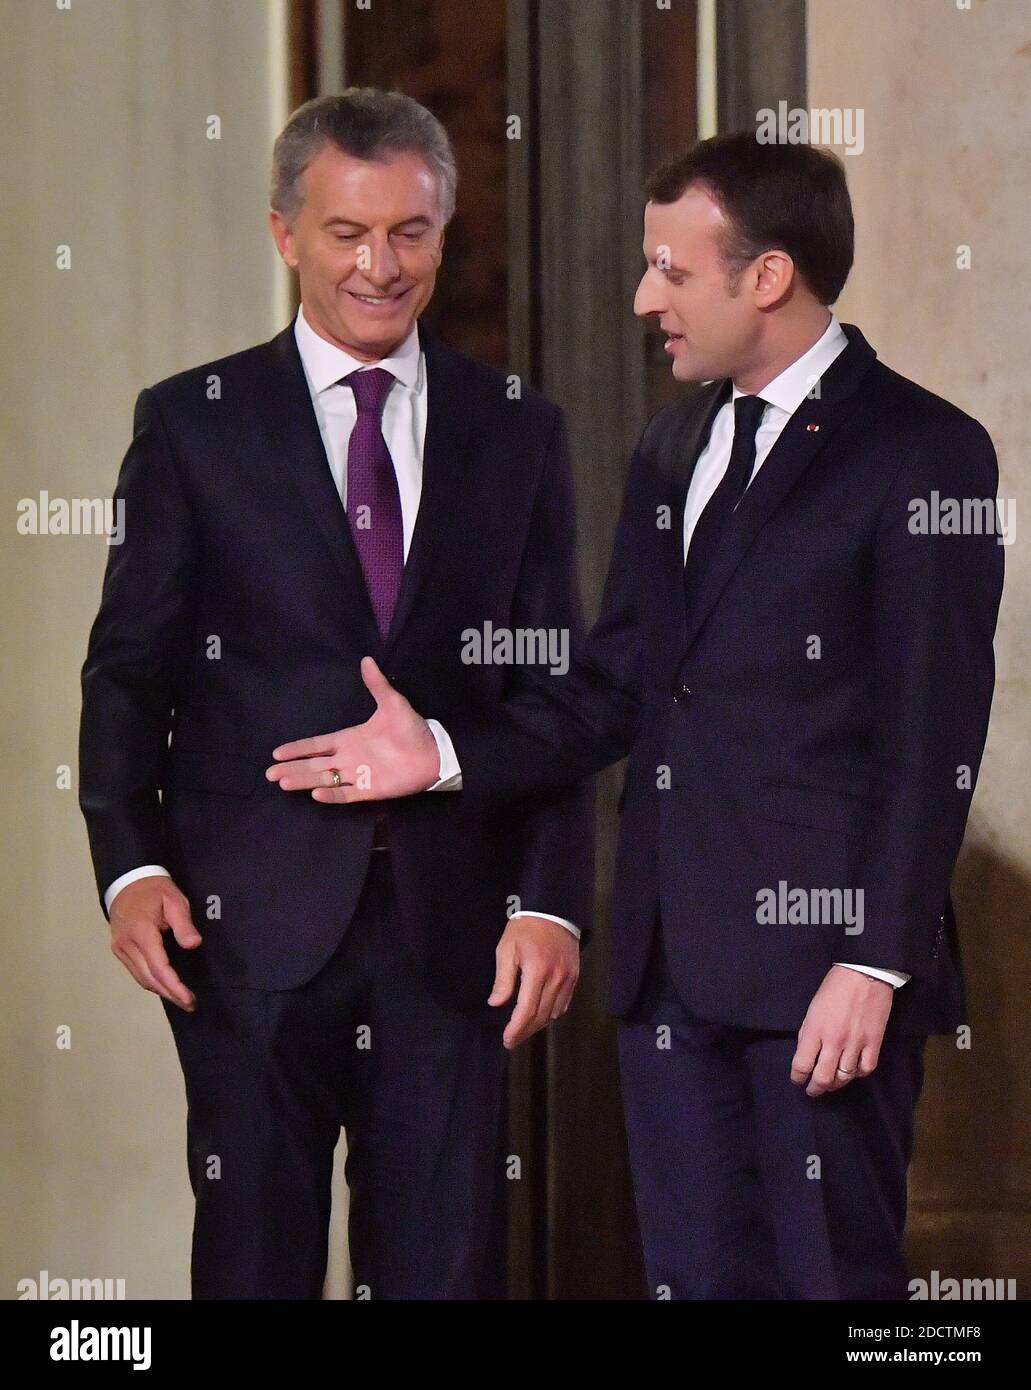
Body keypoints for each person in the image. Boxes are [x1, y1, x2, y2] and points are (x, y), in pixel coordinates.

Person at [272, 133, 1005, 1299]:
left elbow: (934, 736)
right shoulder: (671, 447)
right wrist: (446, 753)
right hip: (667, 973)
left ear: (763, 277)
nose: (641, 296)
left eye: (668, 267)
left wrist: (874, 960)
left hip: (823, 980)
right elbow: (614, 684)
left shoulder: (923, 451)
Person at [78, 88, 591, 1300]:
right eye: (347, 232)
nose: (379, 265)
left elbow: (552, 686)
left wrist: (553, 903)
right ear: (283, 233)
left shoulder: (516, 430)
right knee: (253, 1266)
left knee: (445, 1273)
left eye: (410, 231)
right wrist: (131, 865)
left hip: (457, 940)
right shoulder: (192, 425)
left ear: (443, 233)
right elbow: (126, 670)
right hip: (241, 936)